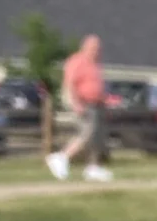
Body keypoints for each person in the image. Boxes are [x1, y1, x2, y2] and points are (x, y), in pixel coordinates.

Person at [47, 33, 112, 181]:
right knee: (87, 133)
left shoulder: (95, 64)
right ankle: (62, 157)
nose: (96, 51)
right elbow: (69, 84)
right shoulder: (77, 61)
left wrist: (104, 100)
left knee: (96, 137)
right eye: (93, 48)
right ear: (84, 47)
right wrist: (75, 103)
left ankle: (93, 167)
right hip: (83, 103)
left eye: (98, 48)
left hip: (97, 104)